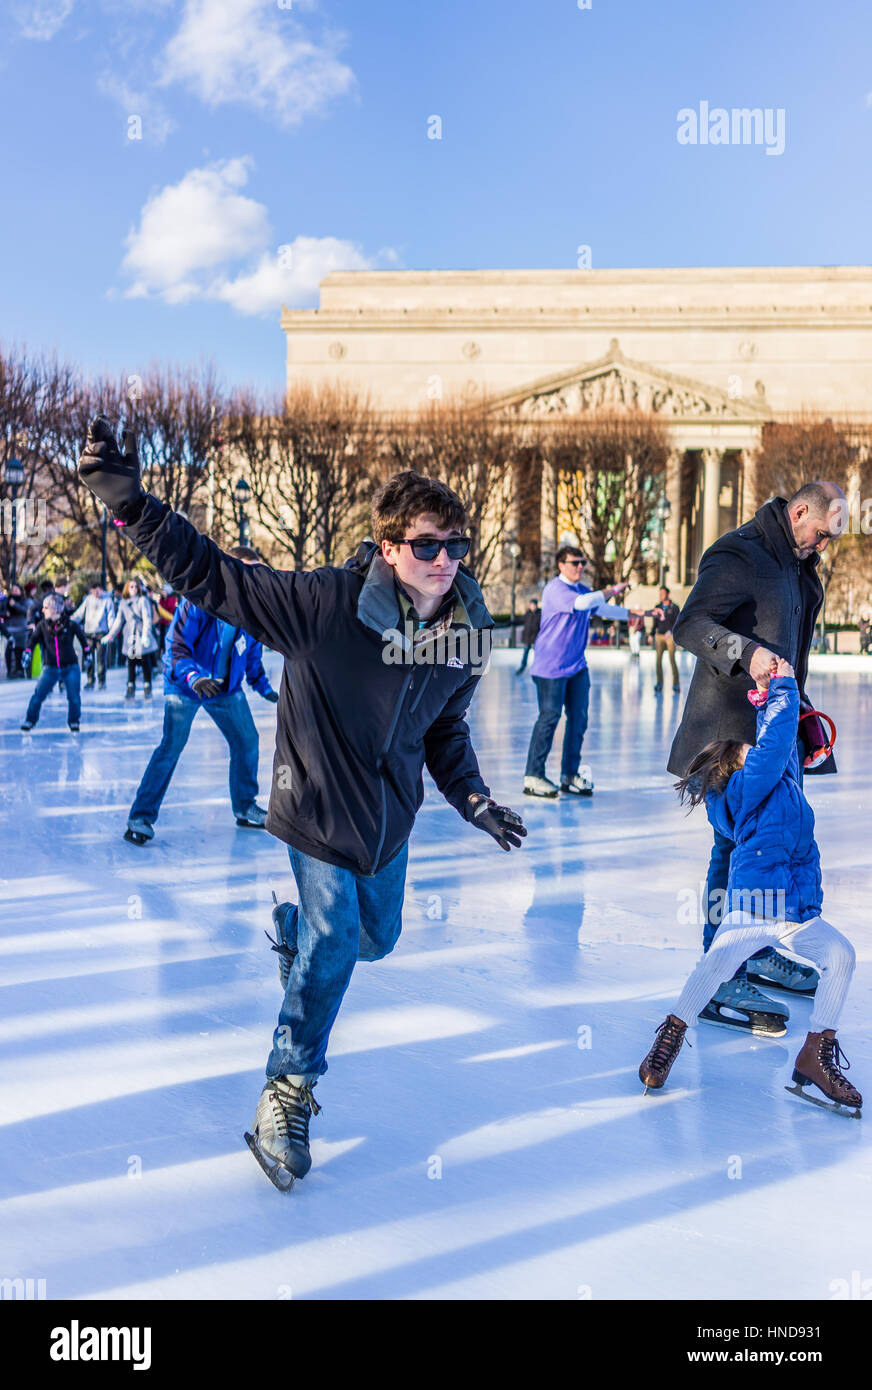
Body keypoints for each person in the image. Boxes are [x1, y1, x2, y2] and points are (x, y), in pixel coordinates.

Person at [77, 419, 527, 1193]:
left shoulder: (466, 635)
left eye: (456, 546)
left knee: (373, 942)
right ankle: (286, 1091)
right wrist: (131, 504)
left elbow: (445, 728)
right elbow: (217, 578)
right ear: (389, 548)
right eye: (428, 545)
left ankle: (287, 929)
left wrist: (474, 798)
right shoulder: (324, 604)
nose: (445, 561)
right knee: (333, 940)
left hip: (389, 821)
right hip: (316, 806)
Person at [640, 661, 861, 1116]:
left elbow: (779, 743)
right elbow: (778, 740)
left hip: (797, 910)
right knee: (717, 963)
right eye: (744, 745)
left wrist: (763, 701)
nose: (752, 744)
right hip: (757, 904)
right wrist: (782, 686)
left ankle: (814, 1055)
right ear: (731, 761)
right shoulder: (745, 786)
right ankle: (671, 1035)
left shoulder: (778, 781)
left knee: (841, 956)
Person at [667, 481, 844, 1035]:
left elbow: (794, 647)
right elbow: (690, 626)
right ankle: (719, 968)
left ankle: (756, 949)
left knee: (769, 842)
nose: (822, 546)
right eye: (819, 534)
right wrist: (746, 652)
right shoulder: (737, 551)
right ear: (798, 513)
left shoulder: (797, 563)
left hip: (775, 729)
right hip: (727, 734)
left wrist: (801, 713)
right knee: (732, 846)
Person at [124, 548, 278, 845]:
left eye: (257, 571)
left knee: (247, 740)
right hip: (186, 686)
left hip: (225, 690)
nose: (253, 577)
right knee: (171, 746)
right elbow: (176, 647)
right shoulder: (202, 598)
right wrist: (195, 678)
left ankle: (245, 805)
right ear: (231, 569)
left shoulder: (252, 609)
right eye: (246, 569)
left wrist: (263, 687)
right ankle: (141, 817)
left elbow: (252, 655)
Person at [523, 545, 662, 797]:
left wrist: (645, 613)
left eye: (582, 562)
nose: (580, 567)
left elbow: (605, 609)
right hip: (550, 666)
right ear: (561, 565)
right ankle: (533, 775)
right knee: (549, 717)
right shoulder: (556, 589)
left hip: (576, 665)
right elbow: (583, 603)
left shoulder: (581, 589)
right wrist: (613, 589)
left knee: (579, 719)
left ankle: (569, 773)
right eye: (574, 562)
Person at [20, 593, 89, 733]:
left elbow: (83, 640)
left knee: (74, 697)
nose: (42, 611)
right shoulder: (42, 626)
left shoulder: (70, 625)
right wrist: (27, 652)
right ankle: (30, 720)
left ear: (55, 609)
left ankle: (74, 721)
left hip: (70, 667)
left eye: (45, 608)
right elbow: (32, 641)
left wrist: (87, 654)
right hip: (50, 668)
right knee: (38, 696)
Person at [102, 577, 159, 698]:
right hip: (129, 635)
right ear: (127, 588)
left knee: (144, 660)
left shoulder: (143, 600)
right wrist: (110, 635)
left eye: (135, 587)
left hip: (140, 632)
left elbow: (147, 618)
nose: (133, 589)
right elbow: (118, 621)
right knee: (131, 661)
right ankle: (130, 685)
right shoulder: (123, 603)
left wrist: (145, 635)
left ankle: (147, 685)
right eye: (131, 586)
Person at [71, 582, 116, 688]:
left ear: (101, 590)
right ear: (91, 590)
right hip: (89, 634)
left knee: (101, 659)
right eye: (94, 590)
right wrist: (69, 621)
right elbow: (79, 614)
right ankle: (90, 680)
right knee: (89, 657)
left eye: (98, 590)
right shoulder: (88, 600)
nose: (96, 592)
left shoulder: (107, 600)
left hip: (102, 633)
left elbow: (111, 617)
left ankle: (101, 681)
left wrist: (111, 633)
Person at [653, 586, 681, 692]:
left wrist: (670, 630)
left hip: (670, 636)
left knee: (672, 659)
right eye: (660, 594)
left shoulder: (674, 607)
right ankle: (659, 683)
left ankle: (676, 684)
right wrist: (652, 634)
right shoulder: (657, 607)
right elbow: (655, 621)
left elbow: (677, 621)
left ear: (668, 595)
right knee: (658, 660)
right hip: (659, 636)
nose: (661, 595)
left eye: (663, 593)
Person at [2, 583, 30, 678]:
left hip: (21, 630)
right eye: (12, 590)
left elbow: (26, 611)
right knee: (8, 651)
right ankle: (10, 671)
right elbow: (2, 611)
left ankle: (20, 670)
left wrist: (15, 605)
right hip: (9, 630)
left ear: (20, 591)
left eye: (16, 590)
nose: (14, 592)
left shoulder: (24, 601)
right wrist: (5, 613)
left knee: (19, 651)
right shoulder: (6, 601)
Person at [516, 598, 541, 674]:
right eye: (531, 605)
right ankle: (522, 667)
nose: (532, 606)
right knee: (525, 653)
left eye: (534, 605)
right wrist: (509, 622)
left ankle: (538, 668)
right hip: (527, 638)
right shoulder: (528, 614)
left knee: (538, 654)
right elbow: (520, 620)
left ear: (536, 605)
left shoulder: (540, 614)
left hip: (536, 638)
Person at [156, 583, 178, 654]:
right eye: (162, 591)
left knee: (168, 637)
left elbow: (170, 608)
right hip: (162, 622)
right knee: (161, 638)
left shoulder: (172, 599)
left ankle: (167, 651)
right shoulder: (161, 599)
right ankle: (162, 651)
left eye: (164, 591)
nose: (163, 592)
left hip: (169, 622)